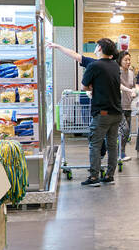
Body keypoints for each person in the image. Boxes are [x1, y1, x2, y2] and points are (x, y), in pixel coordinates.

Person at [47, 38, 122, 186]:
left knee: (95, 144)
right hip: (116, 112)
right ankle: (109, 175)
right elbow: (76, 55)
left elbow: (84, 87)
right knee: (112, 145)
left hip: (102, 113)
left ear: (99, 48)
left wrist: (91, 90)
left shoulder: (95, 66)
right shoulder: (114, 65)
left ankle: (94, 177)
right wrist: (58, 46)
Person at [117, 50, 139, 161]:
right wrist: (129, 90)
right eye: (125, 60)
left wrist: (135, 92)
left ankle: (121, 152)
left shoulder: (131, 73)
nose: (128, 62)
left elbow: (134, 85)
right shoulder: (117, 72)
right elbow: (118, 85)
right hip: (118, 106)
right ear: (120, 61)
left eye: (129, 60)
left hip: (128, 105)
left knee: (127, 132)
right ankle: (119, 153)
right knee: (125, 129)